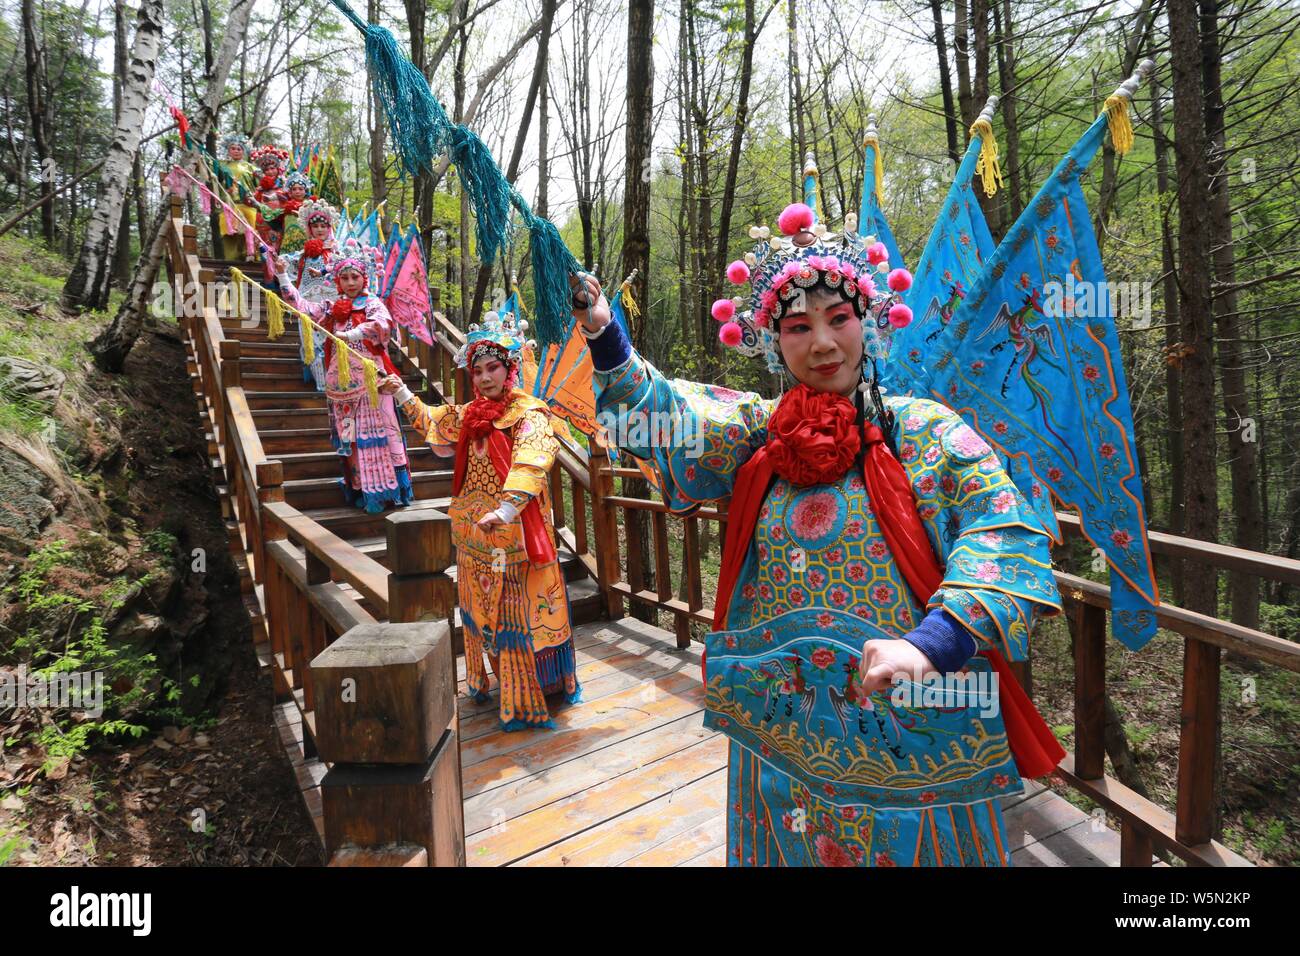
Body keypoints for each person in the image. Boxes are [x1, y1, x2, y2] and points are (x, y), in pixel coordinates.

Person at [572, 202, 1063, 866]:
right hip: (786, 721)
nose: (823, 344)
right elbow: (670, 419)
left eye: (839, 320)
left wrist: (935, 642)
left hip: (907, 711)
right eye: (799, 327)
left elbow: (1005, 533)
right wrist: (606, 337)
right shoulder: (757, 432)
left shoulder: (925, 431)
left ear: (870, 323)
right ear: (775, 341)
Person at [377, 311, 580, 731]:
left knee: (521, 612)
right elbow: (434, 423)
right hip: (473, 533)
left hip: (515, 532)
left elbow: (534, 458)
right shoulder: (470, 412)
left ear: (510, 369)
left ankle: (536, 688)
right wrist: (400, 392)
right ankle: (499, 678)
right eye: (478, 370)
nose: (485, 377)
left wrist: (506, 508)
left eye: (493, 367)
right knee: (480, 609)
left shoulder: (529, 413)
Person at [271, 241, 415, 514]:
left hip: (374, 381)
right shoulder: (331, 307)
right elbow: (301, 306)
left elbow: (383, 326)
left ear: (364, 278)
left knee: (385, 432)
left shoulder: (373, 304)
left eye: (355, 277)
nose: (350, 282)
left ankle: (389, 491)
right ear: (337, 280)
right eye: (344, 277)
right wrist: (282, 275)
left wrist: (351, 335)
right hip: (342, 385)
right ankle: (360, 490)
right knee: (350, 439)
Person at [278, 198, 338, 389]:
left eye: (323, 225)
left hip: (331, 305)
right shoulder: (301, 256)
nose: (320, 229)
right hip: (307, 304)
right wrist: (279, 265)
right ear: (309, 229)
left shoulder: (337, 253)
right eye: (316, 226)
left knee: (333, 342)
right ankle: (321, 384)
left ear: (329, 227)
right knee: (311, 343)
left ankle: (335, 381)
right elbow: (286, 266)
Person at [250, 145, 290, 284]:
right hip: (263, 223)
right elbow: (251, 201)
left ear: (278, 169)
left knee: (279, 249)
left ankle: (282, 279)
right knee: (265, 249)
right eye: (266, 169)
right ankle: (269, 279)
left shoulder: (285, 185)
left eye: (272, 168)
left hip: (279, 221)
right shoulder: (260, 189)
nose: (270, 171)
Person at [218, 135, 257, 262]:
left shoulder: (251, 167)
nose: (236, 151)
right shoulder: (221, 166)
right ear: (228, 151)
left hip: (248, 203)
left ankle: (250, 255)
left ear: (244, 151)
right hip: (229, 203)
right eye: (233, 148)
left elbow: (260, 183)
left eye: (239, 149)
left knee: (250, 230)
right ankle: (231, 258)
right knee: (229, 232)